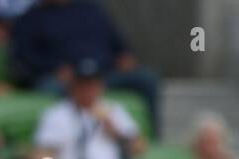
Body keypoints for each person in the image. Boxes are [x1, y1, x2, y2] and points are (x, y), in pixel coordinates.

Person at [11, 0, 160, 133]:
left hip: (105, 74)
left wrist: (124, 55)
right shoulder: (29, 19)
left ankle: (153, 137)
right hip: (68, 80)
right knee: (50, 88)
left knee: (146, 78)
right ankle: (68, 139)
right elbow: (25, 60)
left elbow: (118, 42)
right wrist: (53, 69)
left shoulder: (91, 9)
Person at [33, 58, 144, 159]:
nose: (87, 89)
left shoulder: (112, 111)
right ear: (72, 85)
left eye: (92, 84)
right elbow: (43, 157)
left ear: (101, 86)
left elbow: (139, 148)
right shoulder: (56, 114)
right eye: (82, 84)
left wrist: (117, 133)